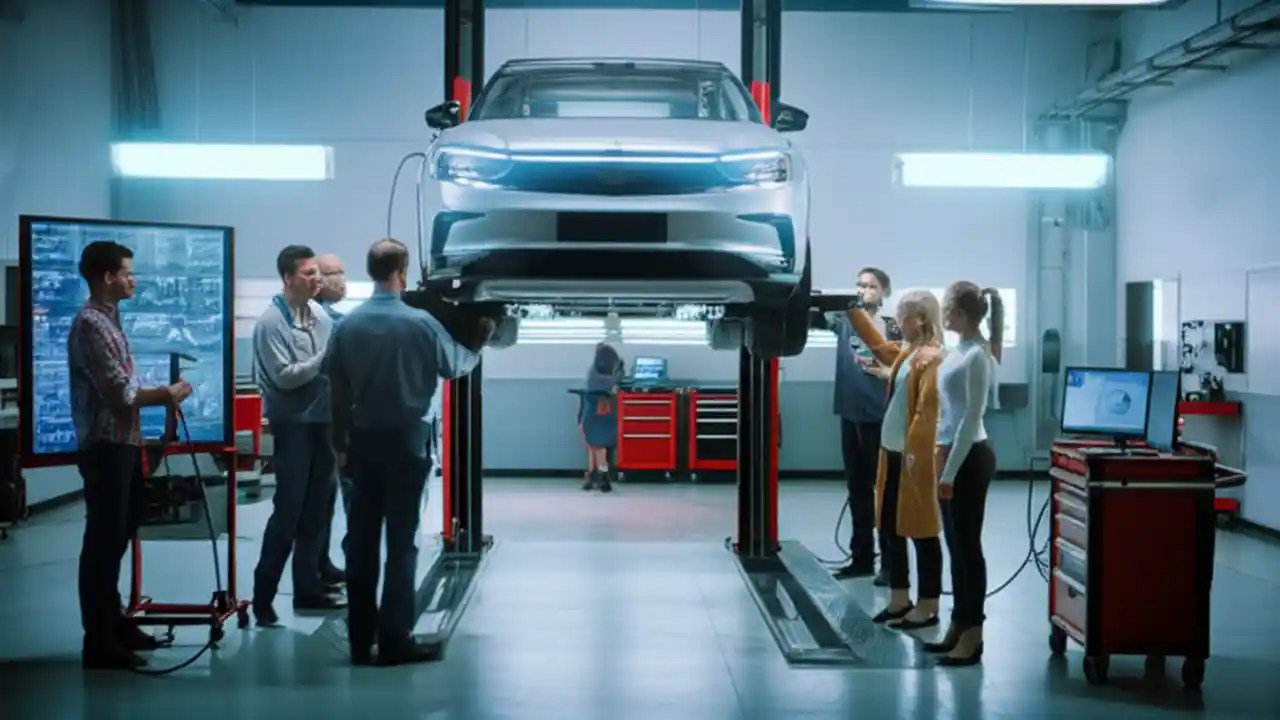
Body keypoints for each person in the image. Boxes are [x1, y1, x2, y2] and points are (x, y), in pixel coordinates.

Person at [328, 238, 492, 666]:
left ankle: (360, 640)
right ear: (402, 272)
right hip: (407, 445)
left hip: (361, 444)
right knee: (402, 544)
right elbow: (455, 366)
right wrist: (478, 343)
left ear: (370, 270)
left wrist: (340, 447)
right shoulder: (420, 324)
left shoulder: (347, 326)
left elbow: (336, 391)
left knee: (359, 544)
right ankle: (395, 639)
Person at [67, 241, 193, 669]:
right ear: (108, 277)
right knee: (103, 544)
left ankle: (115, 623)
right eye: (127, 272)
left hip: (124, 444)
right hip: (106, 448)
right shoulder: (91, 325)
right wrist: (168, 393)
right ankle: (99, 641)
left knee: (118, 538)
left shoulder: (111, 322)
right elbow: (120, 393)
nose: (133, 279)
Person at [252, 245, 346, 627]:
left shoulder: (319, 314)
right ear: (288, 278)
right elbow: (283, 376)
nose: (317, 279)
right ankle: (262, 597)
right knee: (288, 512)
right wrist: (324, 360)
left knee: (317, 511)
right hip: (293, 426)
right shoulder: (271, 323)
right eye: (308, 273)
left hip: (322, 423)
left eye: (317, 273)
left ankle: (308, 588)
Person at [846, 289, 944, 630]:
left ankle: (928, 604)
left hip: (911, 460)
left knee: (922, 531)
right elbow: (881, 348)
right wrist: (854, 312)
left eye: (901, 315)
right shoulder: (908, 353)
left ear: (918, 320)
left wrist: (916, 456)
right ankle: (900, 598)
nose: (896, 322)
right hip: (892, 456)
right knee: (889, 527)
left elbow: (926, 412)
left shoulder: (930, 358)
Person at [927, 283, 1003, 666]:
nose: (943, 315)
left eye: (947, 309)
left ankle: (974, 632)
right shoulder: (958, 351)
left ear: (961, 313)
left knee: (968, 549)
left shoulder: (977, 356)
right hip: (953, 455)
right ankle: (959, 622)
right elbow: (949, 414)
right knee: (955, 548)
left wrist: (949, 473)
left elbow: (972, 417)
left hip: (970, 458)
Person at [825, 267, 902, 583]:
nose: (863, 290)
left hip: (879, 418)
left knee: (883, 492)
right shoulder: (843, 322)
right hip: (850, 414)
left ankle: (891, 564)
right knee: (857, 490)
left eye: (871, 286)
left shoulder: (893, 327)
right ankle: (861, 559)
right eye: (859, 285)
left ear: (884, 292)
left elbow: (902, 365)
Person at [315, 253, 350, 586]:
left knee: (328, 501)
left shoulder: (338, 320)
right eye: (333, 273)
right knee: (317, 501)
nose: (341, 279)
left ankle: (321, 562)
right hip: (317, 423)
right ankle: (313, 570)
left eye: (342, 272)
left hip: (332, 421)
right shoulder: (319, 321)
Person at [579, 342, 623, 493]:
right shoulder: (614, 375)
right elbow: (615, 382)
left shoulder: (593, 373)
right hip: (608, 409)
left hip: (593, 410)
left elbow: (590, 385)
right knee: (600, 445)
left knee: (593, 444)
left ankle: (598, 475)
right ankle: (597, 474)